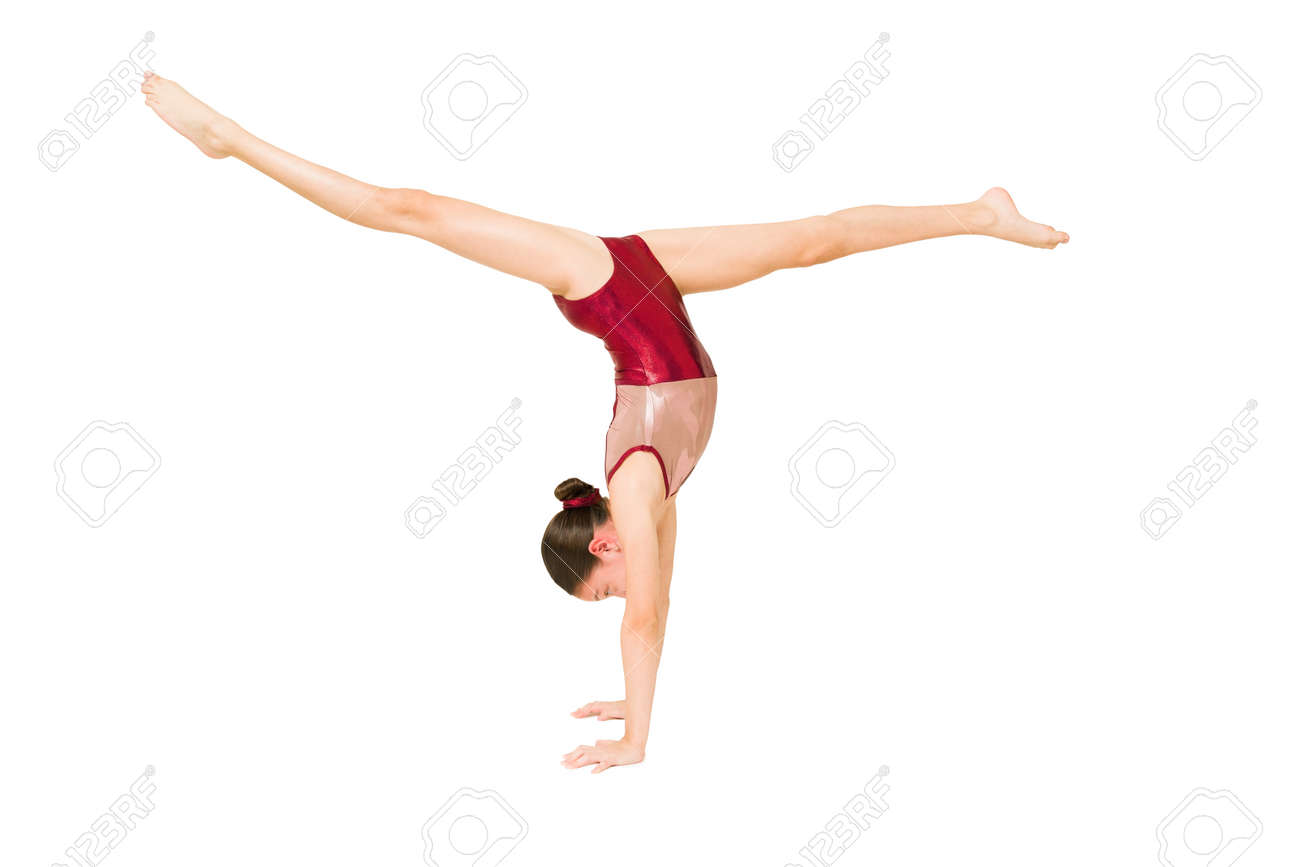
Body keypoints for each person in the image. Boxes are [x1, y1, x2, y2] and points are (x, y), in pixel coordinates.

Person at [141, 71, 1068, 773]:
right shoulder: (652, 502)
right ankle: (981, 214)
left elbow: (648, 618)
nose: (619, 600)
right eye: (606, 604)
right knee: (812, 239)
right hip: (645, 285)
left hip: (598, 282)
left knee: (407, 210)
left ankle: (230, 139)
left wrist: (636, 739)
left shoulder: (631, 487)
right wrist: (632, 705)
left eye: (600, 593)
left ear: (605, 547)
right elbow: (661, 606)